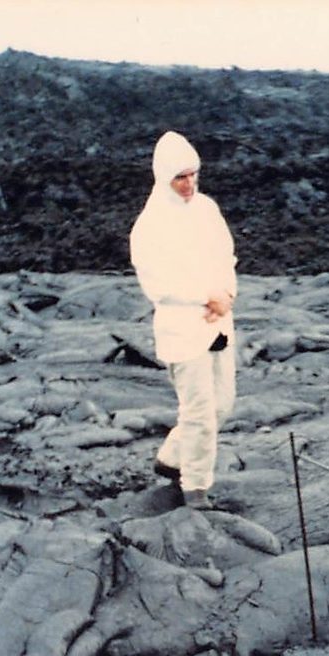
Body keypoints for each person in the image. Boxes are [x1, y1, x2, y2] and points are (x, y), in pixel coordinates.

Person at [130, 130, 237, 508]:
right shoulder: (150, 225)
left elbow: (227, 255)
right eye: (180, 177)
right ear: (163, 177)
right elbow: (158, 284)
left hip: (219, 321)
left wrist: (227, 295)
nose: (189, 183)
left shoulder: (207, 209)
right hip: (182, 330)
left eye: (193, 175)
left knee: (222, 404)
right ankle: (195, 487)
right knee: (199, 412)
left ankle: (172, 457)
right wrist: (205, 298)